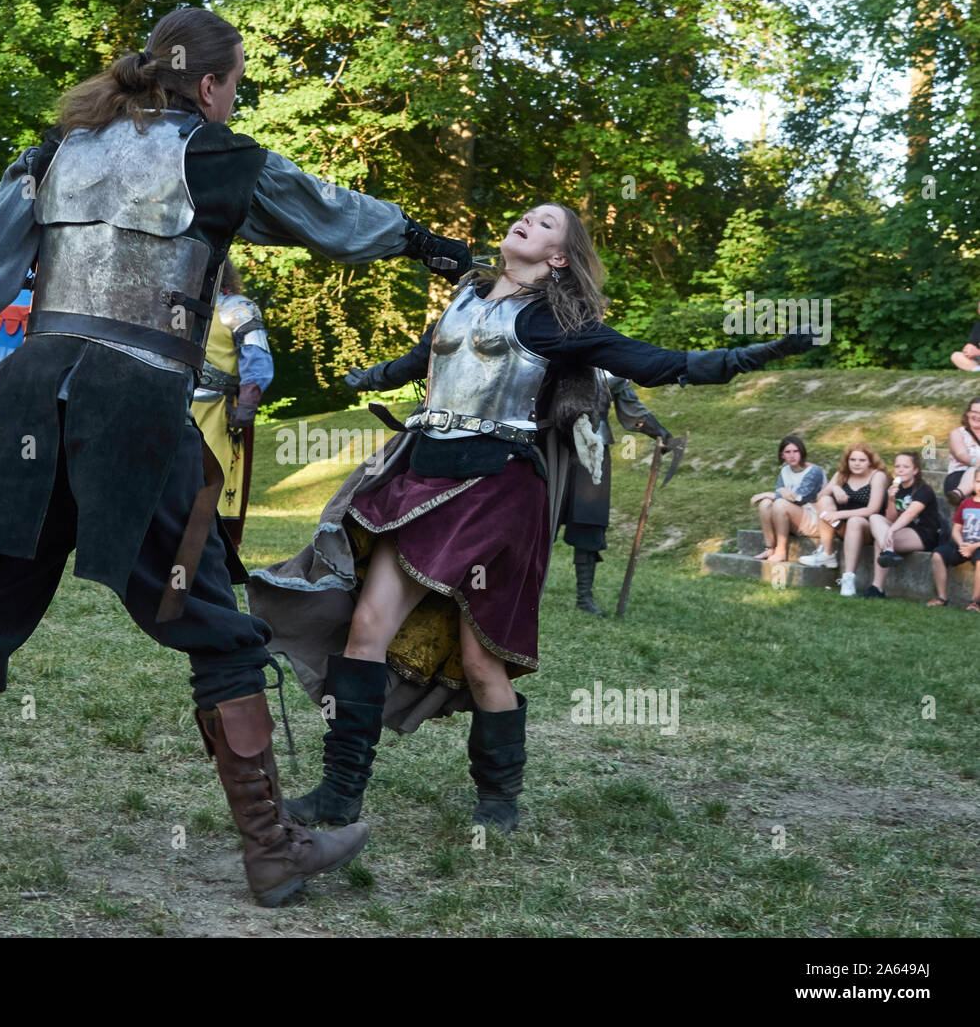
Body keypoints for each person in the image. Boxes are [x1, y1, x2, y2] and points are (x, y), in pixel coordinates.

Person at [0, 7, 473, 909]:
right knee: (212, 625)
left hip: (32, 400)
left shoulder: (59, 152)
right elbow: (330, 215)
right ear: (208, 85)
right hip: (133, 404)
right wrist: (428, 245)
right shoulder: (221, 157)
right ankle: (272, 850)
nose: (233, 101)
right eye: (233, 85)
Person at [248, 201, 810, 834]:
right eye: (527, 214)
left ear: (559, 257)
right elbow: (422, 362)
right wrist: (370, 376)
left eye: (547, 224)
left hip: (497, 492)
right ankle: (339, 794)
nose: (526, 222)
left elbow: (660, 362)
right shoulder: (462, 301)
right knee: (365, 632)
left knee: (483, 659)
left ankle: (498, 796)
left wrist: (761, 353)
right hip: (419, 480)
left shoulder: (554, 325)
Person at [556, 371, 672, 615]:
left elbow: (633, 414)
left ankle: (584, 597)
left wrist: (661, 434)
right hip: (552, 445)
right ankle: (525, 589)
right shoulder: (551, 354)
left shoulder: (611, 368)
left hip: (594, 451)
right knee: (539, 517)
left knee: (589, 519)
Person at [189, 259, 273, 546]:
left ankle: (214, 551)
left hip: (220, 415)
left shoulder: (237, 309)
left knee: (218, 486)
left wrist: (247, 405)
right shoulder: (173, 306)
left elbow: (257, 359)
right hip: (176, 409)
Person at [797, 443, 889, 596]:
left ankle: (848, 579)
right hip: (844, 528)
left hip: (869, 528)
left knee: (855, 521)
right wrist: (835, 488)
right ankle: (827, 553)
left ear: (870, 461)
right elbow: (819, 498)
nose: (856, 464)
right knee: (825, 501)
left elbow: (872, 509)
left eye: (862, 460)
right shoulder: (843, 474)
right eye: (852, 460)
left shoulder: (878, 476)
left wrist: (839, 515)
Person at [864, 451, 940, 598]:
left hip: (923, 533)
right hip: (902, 529)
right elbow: (891, 518)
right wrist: (891, 499)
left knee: (882, 538)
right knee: (874, 518)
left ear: (915, 470)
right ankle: (889, 552)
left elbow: (910, 513)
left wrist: (891, 530)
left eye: (905, 466)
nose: (900, 470)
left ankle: (877, 588)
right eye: (897, 466)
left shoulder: (924, 490)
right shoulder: (895, 489)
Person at [748, 435, 825, 561]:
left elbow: (800, 498)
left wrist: (768, 493)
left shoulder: (814, 471)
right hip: (792, 516)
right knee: (765, 504)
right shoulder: (785, 471)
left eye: (796, 451)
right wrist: (775, 495)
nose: (792, 455)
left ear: (802, 452)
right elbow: (781, 494)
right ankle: (770, 549)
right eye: (787, 452)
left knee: (778, 503)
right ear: (782, 455)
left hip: (813, 519)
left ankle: (781, 551)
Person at [927, 489, 980, 610]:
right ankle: (942, 598)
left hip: (978, 546)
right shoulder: (965, 504)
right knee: (938, 554)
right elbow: (956, 530)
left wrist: (973, 547)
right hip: (963, 543)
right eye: (978, 481)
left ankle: (976, 602)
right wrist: (961, 544)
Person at [944, 397, 980, 506]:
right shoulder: (957, 433)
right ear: (968, 413)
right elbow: (960, 454)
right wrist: (976, 462)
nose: (978, 416)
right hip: (959, 477)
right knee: (976, 469)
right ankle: (958, 493)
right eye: (974, 412)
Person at [947, 300, 980, 372]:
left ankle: (971, 368)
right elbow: (970, 345)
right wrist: (968, 351)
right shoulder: (978, 326)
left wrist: (978, 352)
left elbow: (977, 352)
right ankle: (976, 369)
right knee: (956, 355)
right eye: (979, 308)